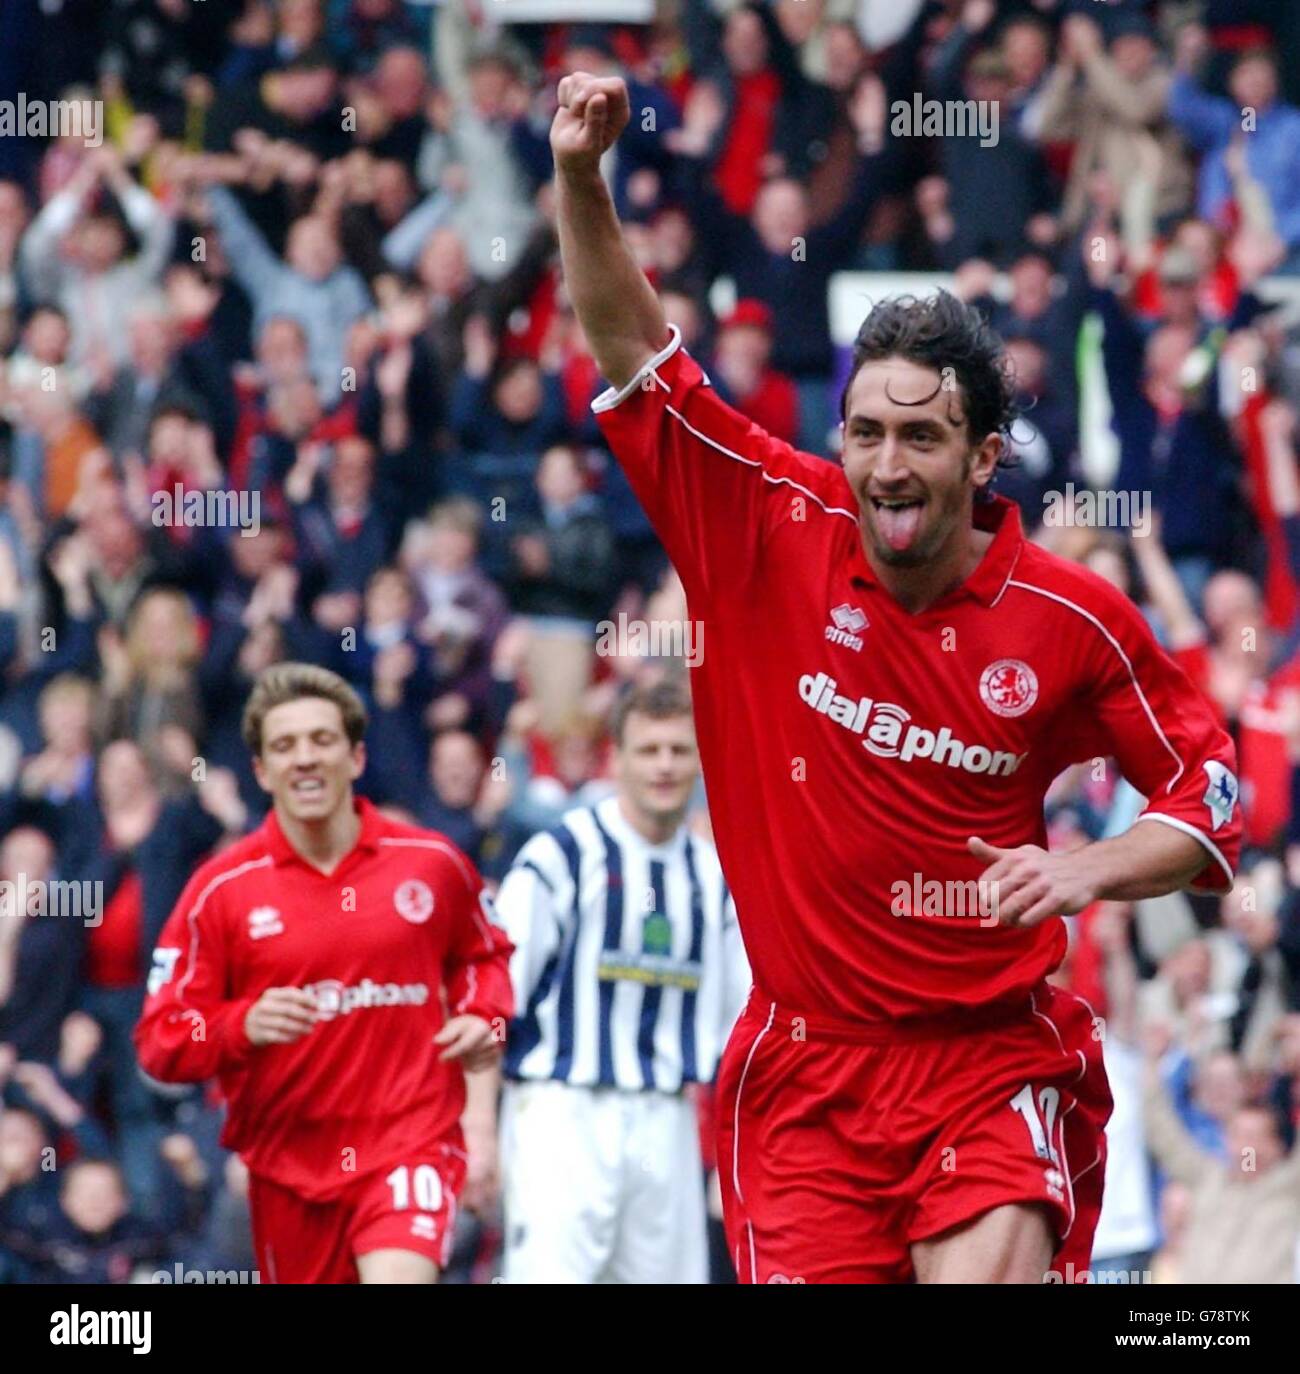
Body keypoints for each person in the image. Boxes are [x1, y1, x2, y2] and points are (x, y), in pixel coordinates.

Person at [548, 72, 1243, 1284]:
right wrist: (575, 177)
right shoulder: (761, 518)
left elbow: (1210, 787)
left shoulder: (1070, 617)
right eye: (865, 433)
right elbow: (630, 341)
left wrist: (1088, 866)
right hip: (807, 1080)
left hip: (984, 1062)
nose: (885, 462)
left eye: (920, 437)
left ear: (980, 455)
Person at [133, 663, 514, 1284]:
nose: (305, 759)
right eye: (284, 746)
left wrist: (481, 1015)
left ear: (357, 756)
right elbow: (161, 1041)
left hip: (409, 1141)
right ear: (261, 770)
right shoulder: (220, 891)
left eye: (322, 740)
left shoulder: (432, 864)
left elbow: (484, 955)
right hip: (288, 1167)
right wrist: (237, 1024)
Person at [494, 676, 750, 1283]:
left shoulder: (715, 878)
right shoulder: (561, 855)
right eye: (648, 750)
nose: (664, 766)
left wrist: (734, 1155)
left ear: (700, 759)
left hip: (666, 1120)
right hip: (561, 1111)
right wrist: (478, 1129)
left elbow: (739, 1026)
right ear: (617, 758)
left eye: (679, 750)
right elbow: (493, 1000)